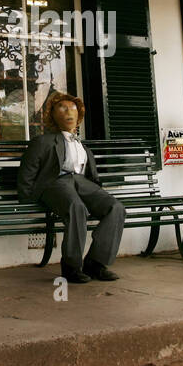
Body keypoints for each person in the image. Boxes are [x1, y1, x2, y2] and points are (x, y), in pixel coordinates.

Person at [17, 91, 125, 283]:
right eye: (62, 107)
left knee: (116, 208)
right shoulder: (43, 141)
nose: (69, 111)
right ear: (52, 114)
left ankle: (96, 263)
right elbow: (28, 171)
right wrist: (27, 199)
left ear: (79, 115)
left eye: (73, 108)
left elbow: (91, 176)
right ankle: (72, 267)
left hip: (83, 183)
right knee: (77, 209)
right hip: (56, 183)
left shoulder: (83, 146)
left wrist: (95, 192)